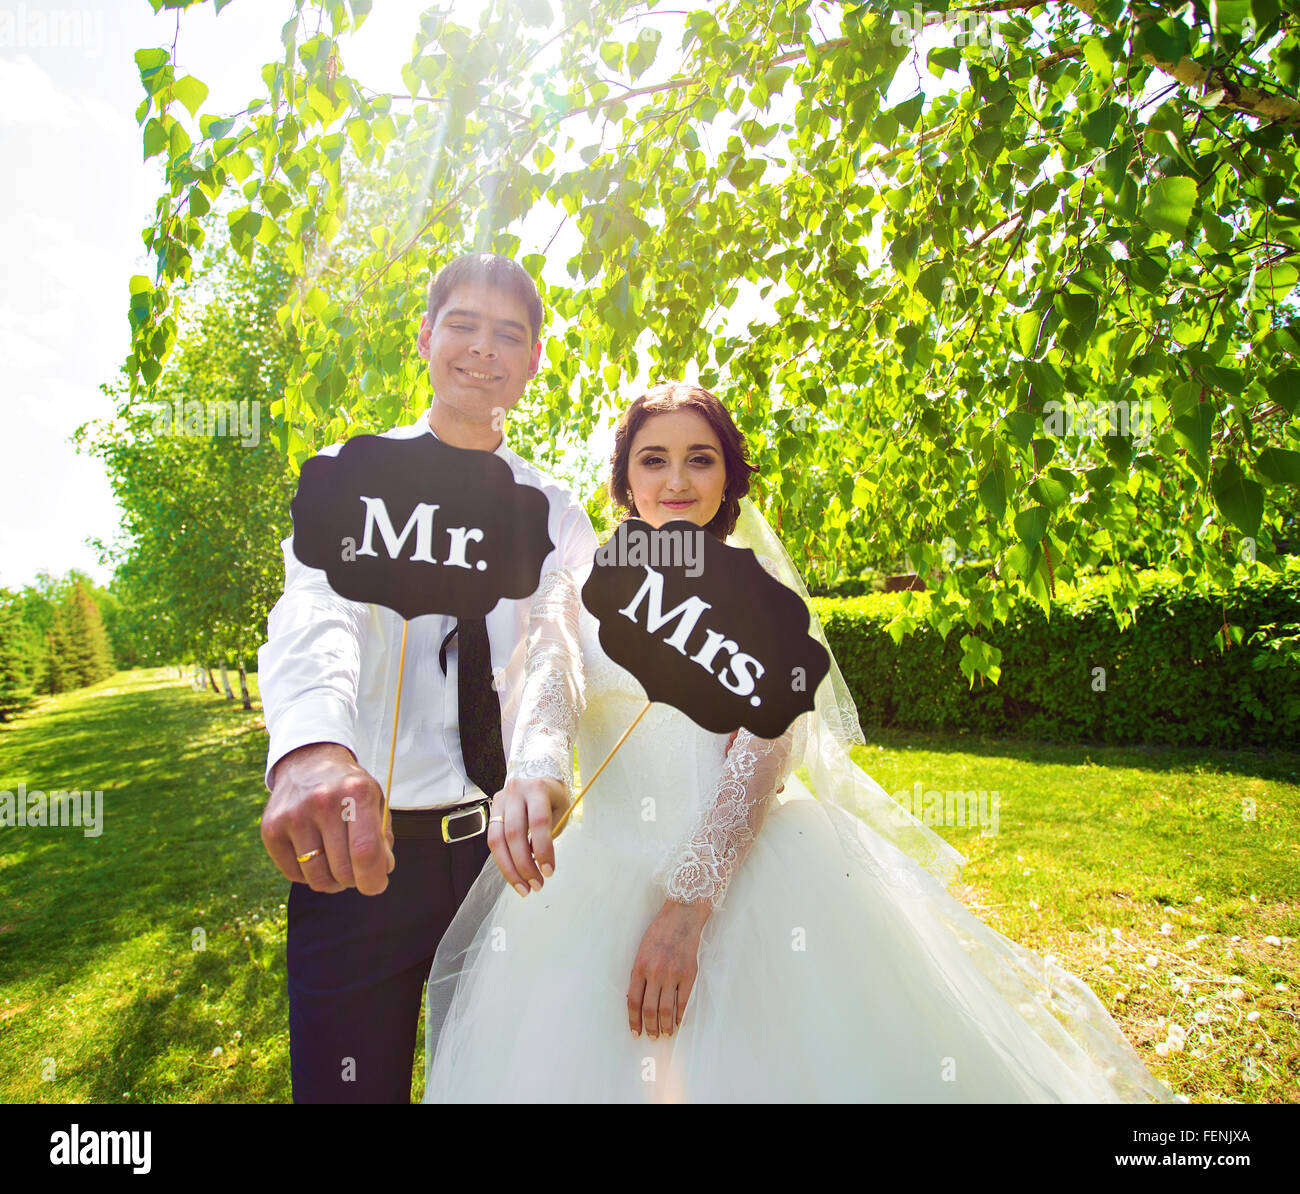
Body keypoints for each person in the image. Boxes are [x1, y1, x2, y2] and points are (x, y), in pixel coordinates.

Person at [421, 381, 1178, 1103]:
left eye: (700, 458)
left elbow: (765, 749)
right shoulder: (578, 583)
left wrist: (687, 911)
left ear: (728, 479)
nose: (676, 479)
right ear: (623, 477)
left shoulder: (763, 602)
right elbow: (553, 677)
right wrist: (540, 769)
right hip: (598, 872)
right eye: (653, 459)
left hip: (746, 877)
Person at [257, 252, 596, 1103]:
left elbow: (557, 645)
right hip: (358, 857)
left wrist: (541, 765)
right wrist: (313, 746)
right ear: (425, 337)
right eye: (464, 326)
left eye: (509, 335)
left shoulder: (553, 511)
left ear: (534, 360)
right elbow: (318, 610)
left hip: (501, 862)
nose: (485, 350)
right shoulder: (355, 474)